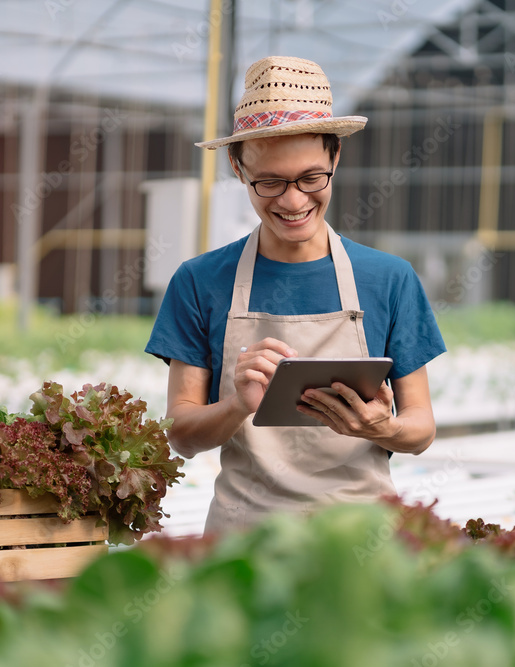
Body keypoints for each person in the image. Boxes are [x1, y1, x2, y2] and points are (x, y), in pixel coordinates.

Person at [145, 55, 447, 535]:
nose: (293, 200)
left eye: (311, 178)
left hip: (359, 539)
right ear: (237, 167)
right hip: (244, 543)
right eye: (270, 181)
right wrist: (237, 404)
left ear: (335, 157)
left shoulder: (389, 279)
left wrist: (382, 428)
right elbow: (181, 435)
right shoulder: (200, 281)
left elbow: (421, 428)